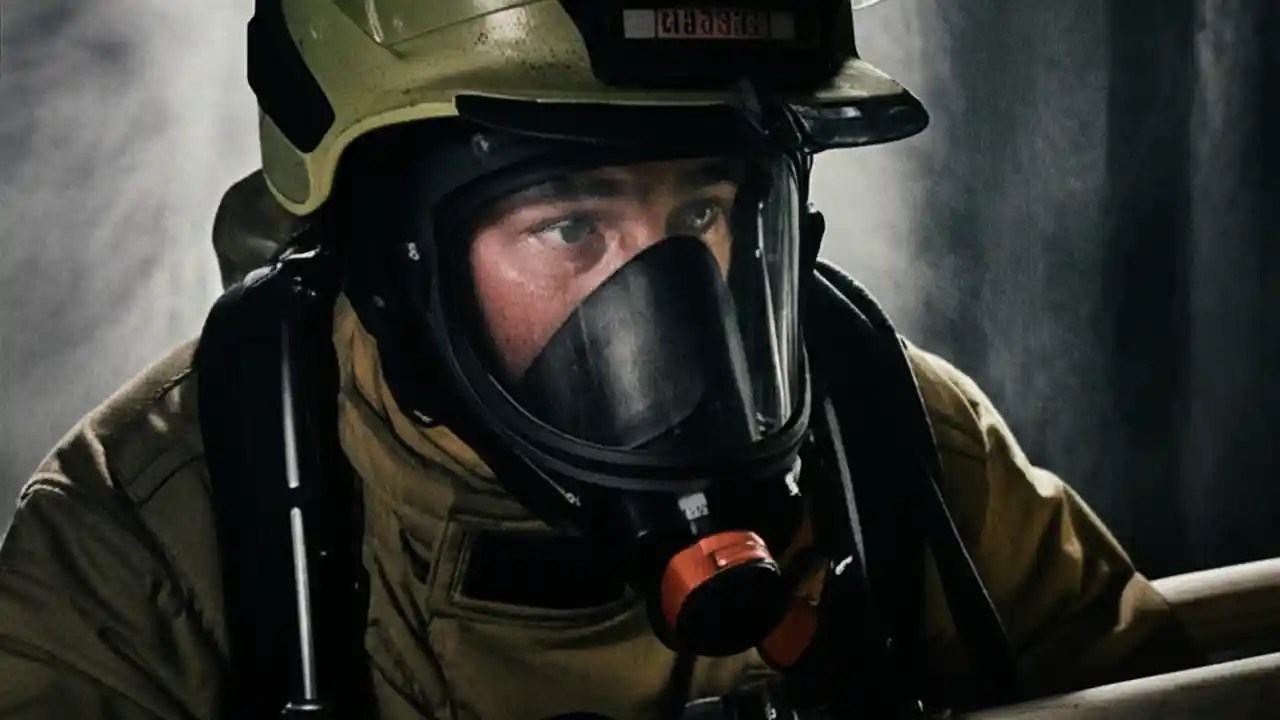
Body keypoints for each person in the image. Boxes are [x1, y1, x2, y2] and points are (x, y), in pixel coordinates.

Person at [0, 1, 1198, 718]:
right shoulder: (145, 544)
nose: (667, 305)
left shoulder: (897, 449)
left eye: (702, 216)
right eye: (572, 225)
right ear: (385, 254)